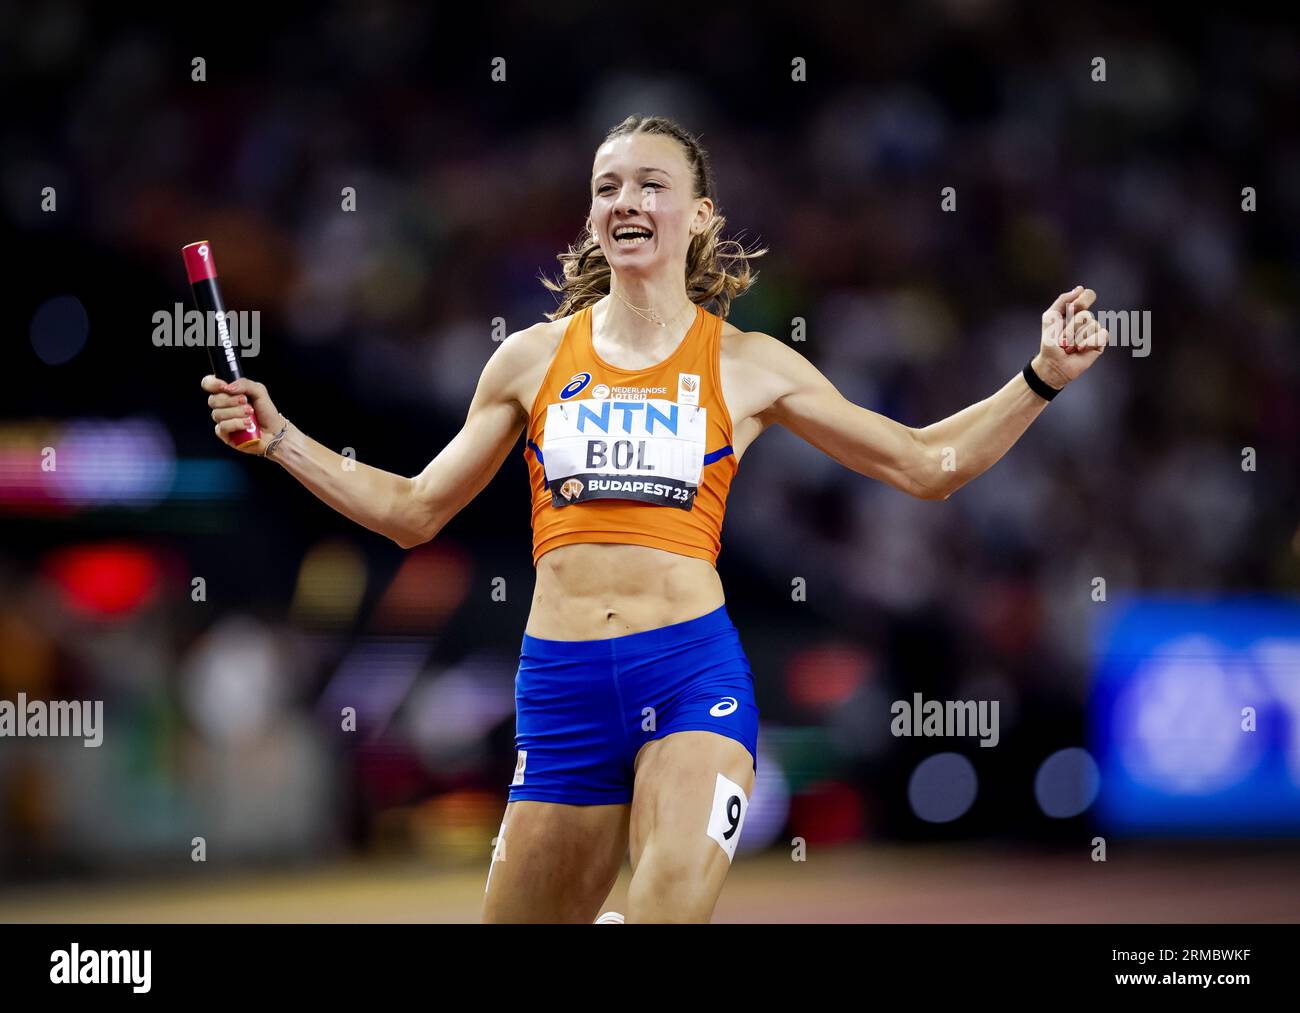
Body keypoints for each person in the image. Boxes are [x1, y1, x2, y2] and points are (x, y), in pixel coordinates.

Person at [200, 114, 1108, 923]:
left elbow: (924, 464)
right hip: (559, 689)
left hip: (689, 677)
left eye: (650, 185)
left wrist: (1040, 380)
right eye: (606, 187)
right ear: (592, 218)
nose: (625, 200)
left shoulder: (750, 365)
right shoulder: (528, 360)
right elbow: (412, 512)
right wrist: (281, 439)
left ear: (701, 216)